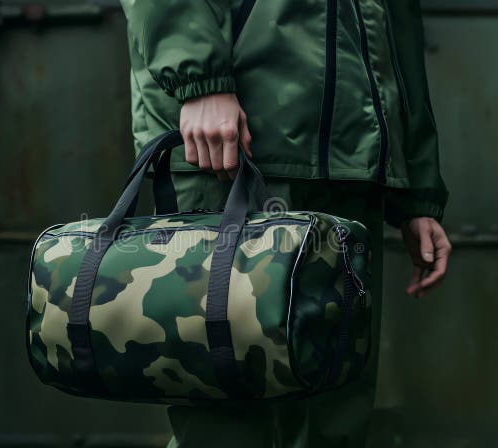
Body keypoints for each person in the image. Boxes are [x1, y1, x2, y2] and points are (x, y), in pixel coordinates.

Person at [119, 1, 452, 446]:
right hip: (236, 146)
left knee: (334, 417)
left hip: (354, 160)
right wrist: (199, 81)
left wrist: (415, 185)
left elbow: (398, 18)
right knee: (229, 419)